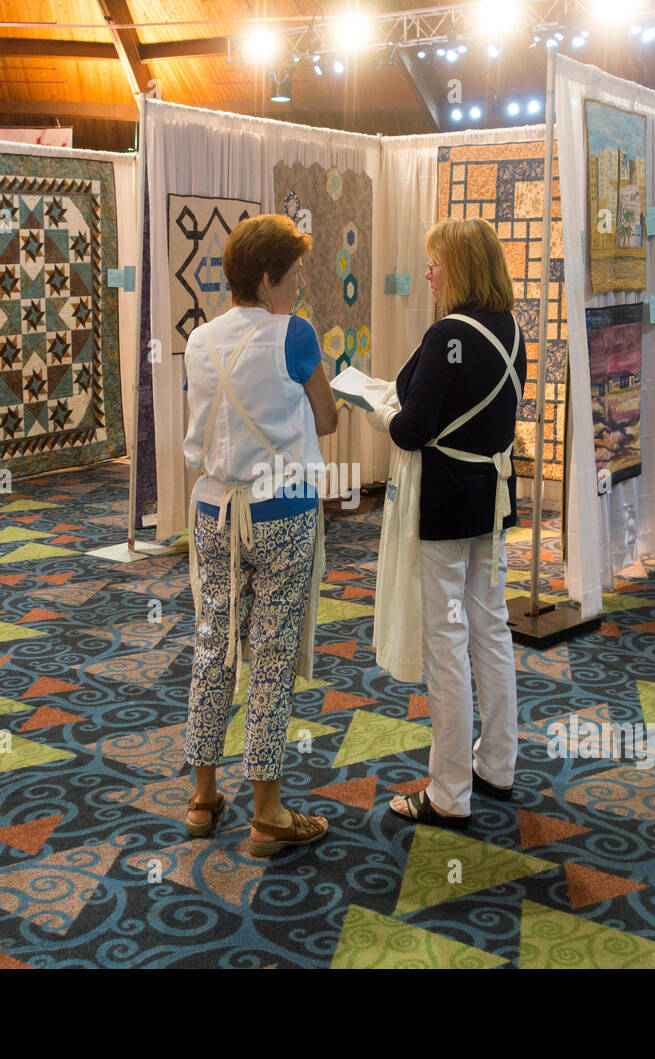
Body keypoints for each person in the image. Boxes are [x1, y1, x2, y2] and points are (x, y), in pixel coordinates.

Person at [181, 213, 338, 857]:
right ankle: (267, 812)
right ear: (269, 277)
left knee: (213, 645)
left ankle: (201, 797)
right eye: (295, 274)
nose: (299, 287)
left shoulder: (200, 340)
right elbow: (326, 419)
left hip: (214, 513)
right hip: (283, 510)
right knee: (271, 653)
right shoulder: (294, 335)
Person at [366, 217, 523, 828]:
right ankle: (498, 765)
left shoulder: (446, 334)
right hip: (491, 499)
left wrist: (375, 410)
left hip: (443, 505)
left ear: (456, 266)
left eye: (434, 262)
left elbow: (413, 427)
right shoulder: (510, 330)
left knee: (447, 644)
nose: (427, 272)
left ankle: (449, 791)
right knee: (490, 630)